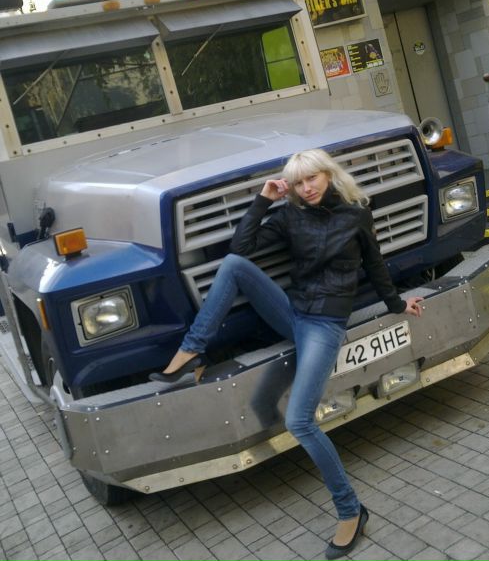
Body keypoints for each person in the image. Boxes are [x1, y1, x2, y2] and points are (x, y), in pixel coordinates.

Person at [150, 148, 423, 559]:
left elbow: (375, 265)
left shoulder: (356, 215)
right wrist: (264, 199)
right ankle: (190, 351)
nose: (306, 187)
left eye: (312, 178)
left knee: (299, 420)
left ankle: (351, 511)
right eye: (298, 182)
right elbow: (241, 247)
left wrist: (398, 304)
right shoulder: (290, 215)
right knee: (233, 266)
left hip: (325, 326)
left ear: (328, 174)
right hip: (293, 313)